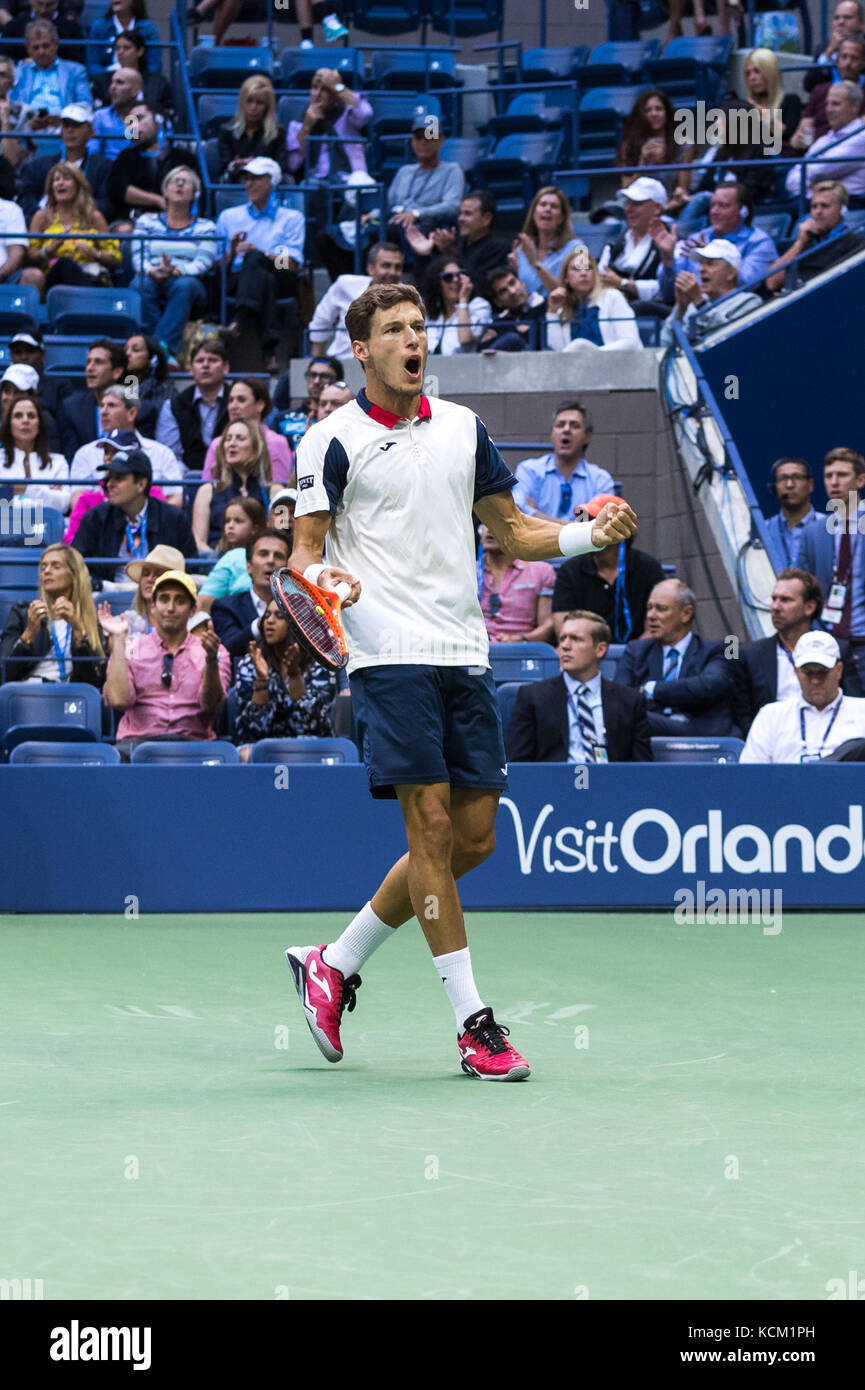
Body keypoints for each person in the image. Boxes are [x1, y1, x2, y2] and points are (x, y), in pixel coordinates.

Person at [283, 277, 637, 1081]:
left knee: (470, 839)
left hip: (462, 651)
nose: (415, 341)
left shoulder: (464, 429)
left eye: (421, 327)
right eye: (397, 331)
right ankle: (474, 1026)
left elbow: (512, 531)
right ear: (361, 348)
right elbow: (304, 552)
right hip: (386, 652)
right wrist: (324, 584)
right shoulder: (329, 439)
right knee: (432, 831)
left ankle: (333, 963)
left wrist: (588, 533)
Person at [316, 105, 464, 279]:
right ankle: (349, 285)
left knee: (386, 232)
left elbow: (453, 204)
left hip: (422, 227)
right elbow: (388, 204)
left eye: (430, 136)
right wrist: (372, 214)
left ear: (441, 140)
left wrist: (416, 213)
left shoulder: (452, 170)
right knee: (327, 237)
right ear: (412, 141)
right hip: (390, 223)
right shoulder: (405, 171)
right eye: (418, 137)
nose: (424, 141)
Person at [101, 568, 231, 760]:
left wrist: (211, 660)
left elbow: (210, 704)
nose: (170, 608)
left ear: (193, 610)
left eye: (180, 601)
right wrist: (118, 640)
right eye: (164, 599)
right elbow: (119, 700)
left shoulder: (216, 651)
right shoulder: (130, 649)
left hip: (194, 746)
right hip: (137, 745)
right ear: (152, 606)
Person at [506, 610, 652, 763]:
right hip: (554, 784)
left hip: (612, 784)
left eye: (576, 639)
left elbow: (641, 769)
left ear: (600, 649)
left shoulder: (630, 701)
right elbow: (518, 766)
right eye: (562, 639)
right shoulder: (533, 697)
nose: (565, 646)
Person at [733, 568, 862, 734]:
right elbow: (742, 714)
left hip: (829, 740)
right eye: (774, 599)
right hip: (773, 741)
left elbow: (854, 702)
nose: (775, 607)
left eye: (785, 600)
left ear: (809, 607)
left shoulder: (837, 650)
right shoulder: (751, 654)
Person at [215, 157, 305, 373]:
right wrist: (232, 252)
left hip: (281, 274)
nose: (248, 184)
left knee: (256, 261)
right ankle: (269, 351)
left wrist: (261, 254)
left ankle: (238, 321)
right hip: (237, 279)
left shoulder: (292, 218)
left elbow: (290, 265)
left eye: (256, 179)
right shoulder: (229, 217)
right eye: (246, 179)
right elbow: (218, 267)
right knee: (264, 279)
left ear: (272, 182)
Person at [614, 578, 737, 735]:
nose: (651, 616)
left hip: (698, 735)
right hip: (647, 736)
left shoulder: (721, 649)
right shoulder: (636, 650)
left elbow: (708, 686)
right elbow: (622, 697)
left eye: (661, 609)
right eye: (649, 608)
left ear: (686, 613)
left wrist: (651, 689)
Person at [71, 443, 197, 584]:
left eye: (119, 478)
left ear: (141, 484)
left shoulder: (174, 519)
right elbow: (76, 566)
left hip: (161, 598)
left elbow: (191, 569)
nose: (109, 484)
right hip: (107, 599)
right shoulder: (95, 518)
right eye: (109, 478)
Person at [130, 167, 219, 360]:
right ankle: (162, 352)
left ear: (195, 194)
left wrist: (178, 270)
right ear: (165, 191)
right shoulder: (146, 221)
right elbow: (138, 257)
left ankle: (156, 351)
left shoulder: (206, 227)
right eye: (174, 181)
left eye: (186, 182)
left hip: (189, 281)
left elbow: (204, 262)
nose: (179, 184)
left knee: (184, 286)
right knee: (139, 284)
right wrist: (152, 271)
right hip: (153, 274)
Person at [552, 494, 666, 641]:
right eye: (586, 522)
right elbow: (563, 627)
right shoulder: (570, 570)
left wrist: (633, 657)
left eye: (595, 521)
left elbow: (657, 627)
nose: (589, 527)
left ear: (621, 529)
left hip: (639, 658)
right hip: (586, 656)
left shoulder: (649, 568)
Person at [233, 597, 339, 756]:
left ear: (298, 624)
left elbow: (312, 725)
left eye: (279, 616)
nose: (270, 621)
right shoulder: (251, 663)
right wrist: (261, 681)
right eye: (267, 615)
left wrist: (295, 675)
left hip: (309, 747)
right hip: (264, 747)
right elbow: (250, 730)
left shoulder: (321, 664)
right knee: (246, 754)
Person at [740, 631, 865, 762]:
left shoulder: (862, 712)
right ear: (796, 671)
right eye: (808, 672)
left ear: (839, 670)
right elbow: (751, 773)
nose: (815, 680)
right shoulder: (771, 716)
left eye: (823, 672)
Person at [798, 446, 865, 680]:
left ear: (860, 480)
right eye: (829, 476)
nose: (834, 482)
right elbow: (802, 588)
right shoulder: (813, 533)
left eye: (842, 475)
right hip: (830, 647)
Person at [512, 402, 614, 553]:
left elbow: (599, 526)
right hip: (536, 559)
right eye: (560, 425)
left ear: (587, 436)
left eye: (574, 425)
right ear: (552, 433)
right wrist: (576, 527)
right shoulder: (529, 470)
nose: (566, 430)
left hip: (580, 562)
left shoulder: (601, 480)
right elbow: (517, 511)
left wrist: (537, 515)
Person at [0, 542, 104, 684]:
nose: (46, 571)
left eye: (56, 566)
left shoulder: (91, 620)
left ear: (74, 574)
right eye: (43, 567)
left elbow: (95, 681)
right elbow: (4, 673)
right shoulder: (22, 613)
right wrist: (29, 634)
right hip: (27, 695)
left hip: (71, 699)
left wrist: (79, 632)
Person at [21, 161, 120, 295]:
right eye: (56, 180)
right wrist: (48, 251)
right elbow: (29, 256)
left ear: (78, 186)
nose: (60, 183)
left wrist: (94, 254)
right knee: (64, 264)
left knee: (69, 267)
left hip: (90, 276)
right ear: (52, 187)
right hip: (54, 280)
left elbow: (115, 259)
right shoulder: (42, 217)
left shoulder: (94, 217)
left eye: (66, 179)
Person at [70, 389, 184, 505]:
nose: (103, 412)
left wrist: (150, 518)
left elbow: (176, 497)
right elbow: (77, 500)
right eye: (101, 406)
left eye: (111, 406)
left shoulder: (162, 453)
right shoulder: (85, 453)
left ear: (131, 413)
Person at [660, 182, 778, 292]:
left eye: (723, 206)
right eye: (712, 205)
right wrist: (668, 260)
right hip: (687, 308)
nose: (714, 211)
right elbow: (669, 292)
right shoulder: (697, 238)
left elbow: (746, 285)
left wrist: (712, 257)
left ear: (743, 211)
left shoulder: (759, 242)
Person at [308, 241, 404, 362]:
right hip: (343, 362)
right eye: (386, 266)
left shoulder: (409, 298)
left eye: (398, 267)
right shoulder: (345, 285)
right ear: (370, 269)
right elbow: (321, 321)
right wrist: (318, 361)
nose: (392, 272)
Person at [405, 190, 513, 296]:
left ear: (487, 218)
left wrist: (449, 253)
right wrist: (423, 255)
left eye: (467, 214)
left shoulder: (500, 248)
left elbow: (481, 286)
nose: (461, 219)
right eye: (460, 213)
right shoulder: (455, 244)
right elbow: (426, 284)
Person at [17, 103, 112, 222]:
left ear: (91, 133)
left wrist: (70, 214)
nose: (70, 130)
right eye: (66, 125)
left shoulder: (104, 167)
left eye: (76, 125)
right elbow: (25, 198)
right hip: (44, 227)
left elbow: (106, 204)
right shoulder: (37, 166)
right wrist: (43, 217)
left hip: (85, 227)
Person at [192, 417, 273, 554]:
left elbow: (281, 535)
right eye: (228, 439)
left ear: (256, 446)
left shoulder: (274, 492)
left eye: (240, 438)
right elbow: (200, 544)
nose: (232, 444)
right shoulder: (206, 491)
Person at [765, 180, 865, 291]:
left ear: (842, 208)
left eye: (825, 206)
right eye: (814, 206)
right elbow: (771, 283)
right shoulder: (803, 241)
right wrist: (799, 243)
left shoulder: (855, 244)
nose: (818, 212)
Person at [660, 239, 763, 347]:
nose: (702, 269)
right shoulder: (692, 305)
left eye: (710, 264)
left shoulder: (750, 301)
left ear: (731, 273)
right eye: (701, 264)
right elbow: (666, 343)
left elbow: (733, 342)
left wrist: (700, 303)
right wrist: (680, 309)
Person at [106, 103, 199, 220]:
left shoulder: (183, 158)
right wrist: (157, 200)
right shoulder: (126, 157)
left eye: (139, 119)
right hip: (133, 219)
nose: (133, 126)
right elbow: (118, 190)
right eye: (130, 122)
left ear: (159, 120)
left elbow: (195, 191)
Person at [286, 66, 372, 191]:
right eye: (315, 88)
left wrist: (338, 86)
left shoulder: (350, 114)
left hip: (351, 181)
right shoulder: (299, 124)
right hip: (316, 182)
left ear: (336, 95)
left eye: (326, 89)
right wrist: (307, 126)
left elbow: (366, 114)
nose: (318, 94)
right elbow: (293, 165)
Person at [210, 526, 290, 657]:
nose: (270, 561)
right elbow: (227, 650)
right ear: (249, 566)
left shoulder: (298, 608)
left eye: (278, 556)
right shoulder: (225, 607)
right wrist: (261, 623)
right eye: (263, 554)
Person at [156, 335, 230, 472]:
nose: (205, 365)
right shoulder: (174, 405)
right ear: (191, 370)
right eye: (200, 361)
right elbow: (169, 456)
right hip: (187, 477)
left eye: (213, 360)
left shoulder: (237, 400)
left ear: (225, 368)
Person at [546, 247, 642, 351]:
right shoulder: (563, 308)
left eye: (588, 267)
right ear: (566, 278)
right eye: (576, 269)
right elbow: (558, 351)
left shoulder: (613, 297)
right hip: (577, 366)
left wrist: (593, 355)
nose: (583, 273)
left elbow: (630, 342)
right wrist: (552, 312)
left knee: (578, 345)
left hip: (616, 363)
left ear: (595, 273)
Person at [599, 177, 673, 310]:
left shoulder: (673, 241)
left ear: (656, 208)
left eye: (636, 204)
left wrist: (623, 283)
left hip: (652, 313)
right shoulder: (615, 242)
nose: (628, 209)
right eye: (627, 203)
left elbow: (665, 290)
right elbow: (601, 273)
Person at [203, 379, 293, 486]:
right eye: (231, 400)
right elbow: (207, 488)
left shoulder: (277, 443)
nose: (233, 406)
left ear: (260, 405)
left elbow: (279, 492)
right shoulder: (217, 444)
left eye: (241, 400)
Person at [616, 89, 693, 212]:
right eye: (648, 110)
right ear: (641, 115)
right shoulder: (629, 145)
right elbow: (625, 187)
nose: (654, 114)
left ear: (667, 112)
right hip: (635, 209)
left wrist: (661, 210)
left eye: (659, 109)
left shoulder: (684, 144)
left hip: (670, 207)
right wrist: (643, 163)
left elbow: (682, 191)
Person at [477, 523, 555, 643]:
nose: (489, 529)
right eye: (485, 523)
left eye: (496, 522)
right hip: (474, 648)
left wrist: (520, 639)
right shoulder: (468, 570)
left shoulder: (541, 571)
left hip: (521, 650)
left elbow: (546, 627)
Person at [785, 82, 865, 199]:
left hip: (850, 205)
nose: (828, 109)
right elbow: (792, 179)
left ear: (855, 107)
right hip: (815, 202)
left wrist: (810, 181)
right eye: (827, 104)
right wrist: (811, 188)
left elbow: (819, 171)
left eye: (835, 104)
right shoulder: (826, 137)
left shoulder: (861, 137)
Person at [9, 20, 90, 130]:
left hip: (65, 127)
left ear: (56, 44)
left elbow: (86, 105)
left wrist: (64, 118)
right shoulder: (18, 73)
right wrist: (28, 121)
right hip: (26, 129)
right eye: (35, 47)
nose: (41, 52)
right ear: (28, 48)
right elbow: (11, 106)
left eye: (46, 46)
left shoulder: (76, 71)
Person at [510, 185, 585, 298]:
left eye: (554, 206)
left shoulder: (577, 249)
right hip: (530, 314)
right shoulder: (522, 250)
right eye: (543, 204)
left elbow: (573, 295)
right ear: (534, 213)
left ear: (562, 217)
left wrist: (536, 264)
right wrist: (513, 271)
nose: (547, 209)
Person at [57, 336, 126, 455]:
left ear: (117, 372)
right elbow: (71, 456)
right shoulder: (71, 408)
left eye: (98, 362)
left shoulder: (135, 408)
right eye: (88, 362)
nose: (89, 368)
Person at [196, 496, 266, 611]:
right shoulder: (229, 558)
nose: (230, 526)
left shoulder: (233, 557)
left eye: (238, 521)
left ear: (255, 528)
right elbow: (204, 603)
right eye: (227, 521)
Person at [0, 393, 69, 510]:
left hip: (47, 526)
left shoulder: (58, 462)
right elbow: (54, 503)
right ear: (9, 424)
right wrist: (46, 493)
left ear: (39, 424)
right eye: (18, 416)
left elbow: (64, 504)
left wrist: (24, 488)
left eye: (31, 416)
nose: (25, 420)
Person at [792, 35, 865, 142]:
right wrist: (801, 140)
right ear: (837, 59)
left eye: (854, 58)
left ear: (863, 62)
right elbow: (801, 135)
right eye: (844, 57)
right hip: (816, 152)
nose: (848, 64)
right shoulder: (819, 90)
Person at [216, 74, 286, 184]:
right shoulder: (227, 132)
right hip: (236, 182)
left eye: (259, 103)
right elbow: (224, 168)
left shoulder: (278, 133)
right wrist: (234, 166)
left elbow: (281, 167)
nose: (253, 107)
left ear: (267, 107)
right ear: (242, 102)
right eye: (249, 101)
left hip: (267, 184)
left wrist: (257, 164)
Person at [109, 541, 189, 636]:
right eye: (146, 574)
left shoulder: (193, 622)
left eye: (158, 574)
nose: (150, 579)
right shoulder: (130, 620)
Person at [420, 256, 492, 356]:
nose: (455, 280)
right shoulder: (432, 312)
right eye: (448, 277)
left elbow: (465, 339)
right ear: (437, 283)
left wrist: (463, 300)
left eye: (459, 275)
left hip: (464, 369)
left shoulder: (479, 306)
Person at [478, 264, 547, 352]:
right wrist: (517, 329)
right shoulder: (499, 322)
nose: (512, 291)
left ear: (522, 283)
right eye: (503, 291)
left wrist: (508, 331)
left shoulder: (545, 306)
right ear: (498, 302)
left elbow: (540, 341)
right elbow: (481, 349)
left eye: (512, 283)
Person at [763, 457, 819, 567]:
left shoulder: (831, 529)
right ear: (774, 487)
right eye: (783, 478)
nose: (789, 485)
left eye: (797, 477)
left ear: (810, 485)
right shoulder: (764, 531)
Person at [8, 326, 70, 419]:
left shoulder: (59, 389)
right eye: (17, 352)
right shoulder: (2, 389)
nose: (23, 357)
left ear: (42, 354)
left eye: (29, 351)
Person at [804, 0, 865, 91]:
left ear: (862, 23)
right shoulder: (823, 49)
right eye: (837, 18)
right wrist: (829, 52)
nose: (841, 22)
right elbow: (809, 86)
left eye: (848, 17)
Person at [0, 0, 85, 64]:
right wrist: (21, 63)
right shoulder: (13, 26)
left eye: (49, 5)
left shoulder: (72, 29)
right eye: (39, 4)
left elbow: (77, 61)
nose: (43, 10)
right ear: (31, 1)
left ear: (57, 2)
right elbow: (4, 57)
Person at [87, 0, 159, 74]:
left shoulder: (148, 28)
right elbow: (93, 65)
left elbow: (154, 66)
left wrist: (135, 78)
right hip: (107, 81)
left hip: (139, 81)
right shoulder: (99, 26)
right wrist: (108, 77)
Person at [89, 66, 144, 158]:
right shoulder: (100, 116)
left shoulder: (145, 116)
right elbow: (93, 152)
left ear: (135, 91)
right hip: (106, 168)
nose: (112, 87)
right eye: (112, 82)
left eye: (120, 83)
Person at [123, 333, 171, 437]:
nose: (127, 353)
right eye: (125, 350)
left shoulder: (164, 389)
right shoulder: (117, 387)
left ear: (152, 359)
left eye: (135, 350)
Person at [272, 354, 341, 418]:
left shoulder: (347, 417)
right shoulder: (283, 419)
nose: (316, 381)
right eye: (312, 375)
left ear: (339, 381)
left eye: (325, 376)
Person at [0, 180, 27, 284]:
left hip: (5, 278)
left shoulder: (10, 209)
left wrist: (1, 273)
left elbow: (16, 253)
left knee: (33, 275)